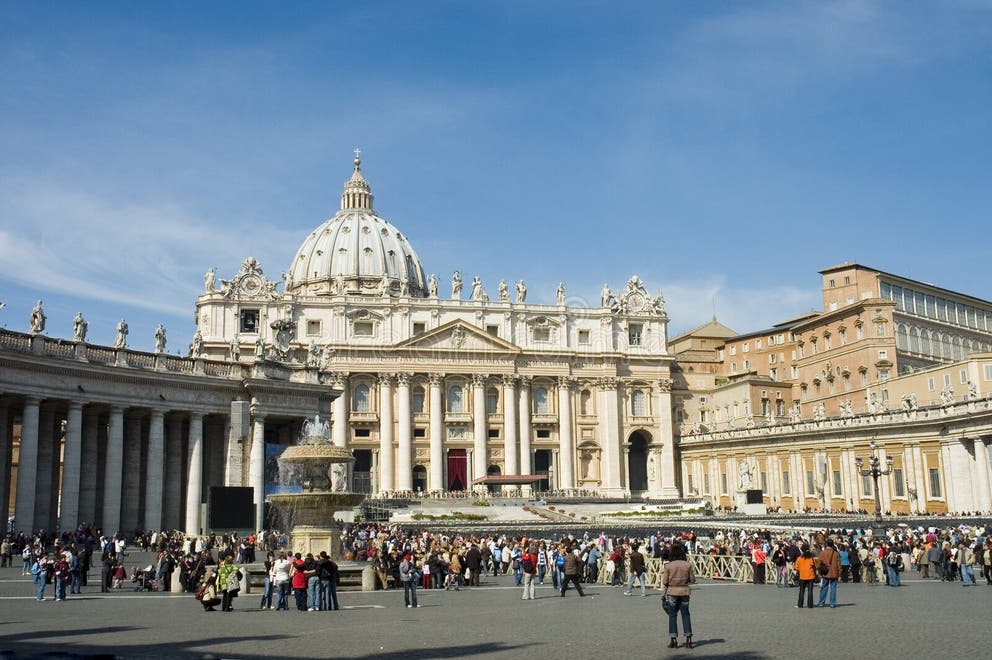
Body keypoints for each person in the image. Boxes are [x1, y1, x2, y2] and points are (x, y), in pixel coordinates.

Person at [662, 543, 696, 649]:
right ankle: (689, 639)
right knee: (686, 615)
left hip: (672, 591)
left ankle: (673, 640)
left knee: (672, 615)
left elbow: (664, 581)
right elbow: (693, 580)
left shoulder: (668, 566)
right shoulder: (688, 565)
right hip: (685, 591)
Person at [816, 539, 841, 607]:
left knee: (824, 587)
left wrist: (819, 570)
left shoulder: (823, 552)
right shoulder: (836, 553)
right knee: (833, 588)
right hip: (834, 572)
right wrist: (839, 574)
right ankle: (832, 603)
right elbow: (839, 564)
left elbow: (818, 563)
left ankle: (821, 602)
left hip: (825, 572)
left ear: (826, 544)